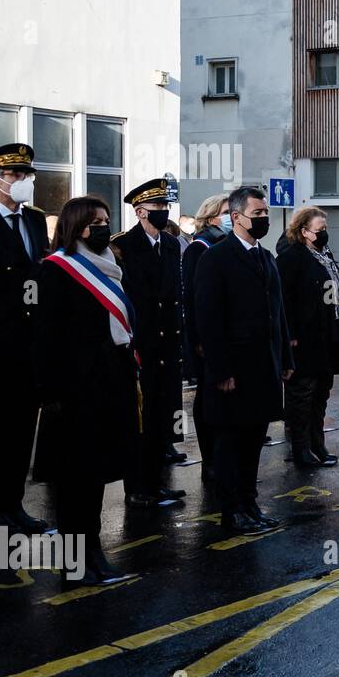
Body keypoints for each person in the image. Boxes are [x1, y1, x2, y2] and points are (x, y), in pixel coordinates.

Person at [32, 196, 139, 586]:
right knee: (74, 484)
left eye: (107, 220)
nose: (103, 227)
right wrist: (52, 392)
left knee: (95, 479)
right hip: (75, 392)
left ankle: (94, 552)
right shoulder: (58, 270)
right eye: (96, 221)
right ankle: (76, 563)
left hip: (110, 383)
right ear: (77, 227)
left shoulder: (110, 267)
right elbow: (46, 336)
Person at [194, 186, 294, 536]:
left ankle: (250, 504)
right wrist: (220, 370)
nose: (264, 219)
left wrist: (285, 358)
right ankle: (231, 510)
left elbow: (278, 314)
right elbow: (208, 318)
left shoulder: (265, 258)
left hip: (263, 367)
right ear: (236, 217)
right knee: (229, 445)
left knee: (253, 442)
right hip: (233, 371)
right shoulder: (216, 258)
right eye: (258, 214)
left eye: (266, 213)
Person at [0, 143, 50, 535]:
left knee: (23, 429)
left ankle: (14, 504)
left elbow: (36, 276)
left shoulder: (36, 221)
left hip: (29, 344)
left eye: (28, 175)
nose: (26, 181)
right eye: (17, 175)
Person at [112, 180, 186, 510]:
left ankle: (157, 483)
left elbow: (174, 293)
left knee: (161, 417)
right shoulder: (123, 246)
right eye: (157, 208)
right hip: (141, 342)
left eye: (165, 207)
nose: (164, 213)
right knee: (139, 421)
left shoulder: (169, 244)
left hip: (167, 343)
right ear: (141, 212)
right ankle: (137, 487)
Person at [277, 206, 339, 468]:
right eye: (320, 230)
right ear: (304, 231)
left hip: (327, 335)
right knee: (302, 396)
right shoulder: (292, 257)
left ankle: (318, 445)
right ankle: (301, 449)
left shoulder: (325, 255)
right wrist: (291, 334)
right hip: (304, 338)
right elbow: (284, 299)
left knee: (321, 394)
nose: (324, 234)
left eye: (325, 229)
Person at [182, 194, 228, 482]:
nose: (229, 216)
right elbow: (194, 297)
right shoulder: (199, 248)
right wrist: (198, 339)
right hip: (206, 335)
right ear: (212, 217)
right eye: (225, 212)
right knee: (209, 396)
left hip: (228, 333)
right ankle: (210, 459)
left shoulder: (227, 244)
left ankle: (223, 457)